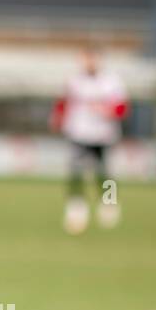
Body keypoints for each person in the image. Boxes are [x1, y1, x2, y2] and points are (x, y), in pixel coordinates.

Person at [51, 50, 128, 234]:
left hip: (103, 134)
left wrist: (106, 110)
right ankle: (76, 209)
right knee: (76, 172)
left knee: (103, 173)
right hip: (79, 133)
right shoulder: (74, 81)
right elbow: (64, 103)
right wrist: (58, 118)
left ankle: (108, 204)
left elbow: (122, 108)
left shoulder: (111, 82)